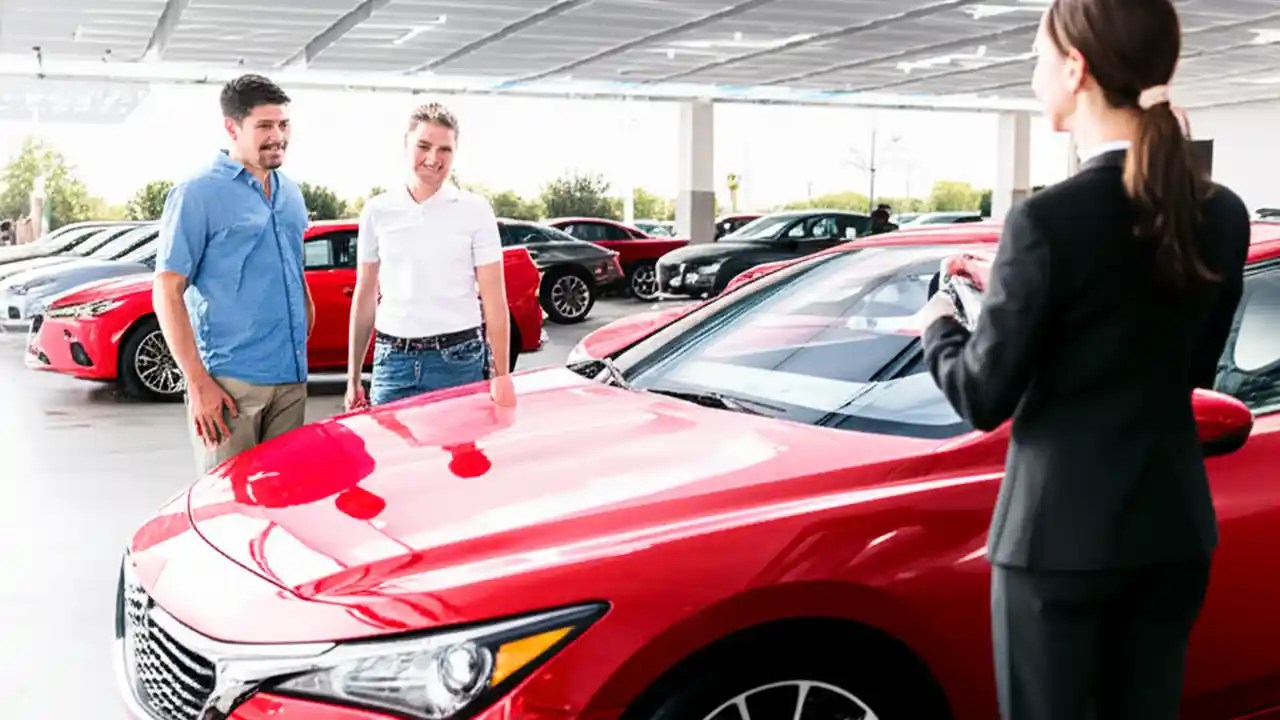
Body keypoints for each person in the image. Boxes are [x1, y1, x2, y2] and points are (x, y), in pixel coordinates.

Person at [917, 1, 1252, 718]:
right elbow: (1188, 362)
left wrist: (939, 321)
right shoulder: (1222, 212)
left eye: (1038, 58)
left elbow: (981, 395)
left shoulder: (1047, 220)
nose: (1034, 75)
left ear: (1077, 68)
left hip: (1057, 538)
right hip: (1170, 531)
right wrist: (1015, 283)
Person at [153, 74, 314, 475]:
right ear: (232, 127)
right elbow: (167, 290)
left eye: (283, 124)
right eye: (264, 126)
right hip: (229, 386)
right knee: (228, 514)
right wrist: (197, 382)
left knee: (284, 506)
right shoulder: (197, 194)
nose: (278, 136)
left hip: (291, 380)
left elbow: (294, 268)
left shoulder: (290, 192)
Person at [345, 102, 516, 411]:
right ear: (406, 145)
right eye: (423, 146)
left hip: (458, 361)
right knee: (393, 459)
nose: (433, 158)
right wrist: (353, 377)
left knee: (463, 456)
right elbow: (365, 293)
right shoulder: (377, 210)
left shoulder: (475, 210)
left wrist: (502, 377)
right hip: (392, 362)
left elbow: (494, 299)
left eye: (445, 149)